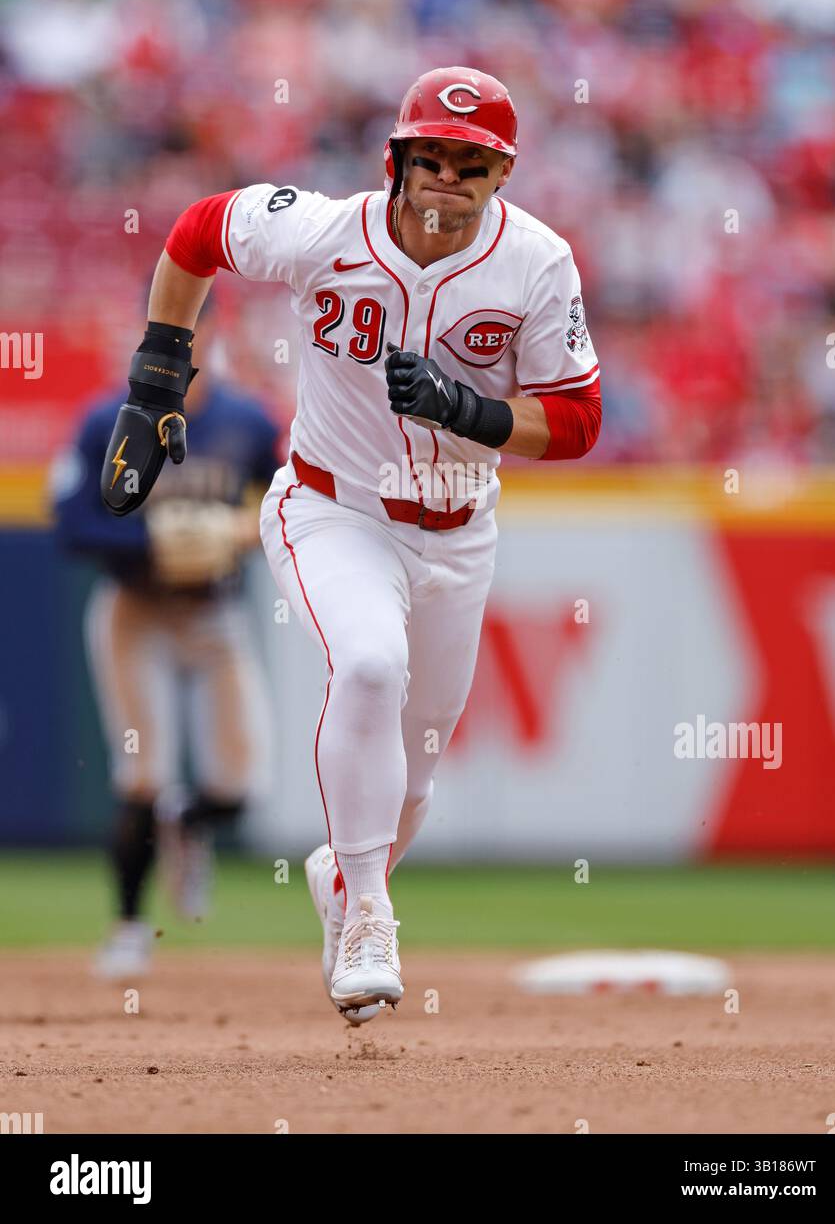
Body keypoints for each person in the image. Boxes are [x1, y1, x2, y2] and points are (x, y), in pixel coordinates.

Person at [98, 67, 602, 1020]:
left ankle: (347, 875)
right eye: (432, 157)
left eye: (472, 163)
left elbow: (578, 421)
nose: (448, 177)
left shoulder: (538, 261)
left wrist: (470, 410)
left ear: (503, 176)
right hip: (334, 505)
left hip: (459, 525)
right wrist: (158, 374)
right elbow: (198, 231)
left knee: (417, 775)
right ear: (397, 160)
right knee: (369, 663)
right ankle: (370, 910)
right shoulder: (329, 230)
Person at [54, 305, 280, 978]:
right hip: (135, 609)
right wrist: (152, 540)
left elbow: (294, 498)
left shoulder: (248, 422)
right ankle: (128, 928)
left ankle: (193, 820)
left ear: (210, 338)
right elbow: (70, 525)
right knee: (141, 775)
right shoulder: (106, 422)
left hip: (214, 614)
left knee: (242, 784)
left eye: (186, 333)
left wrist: (244, 532)